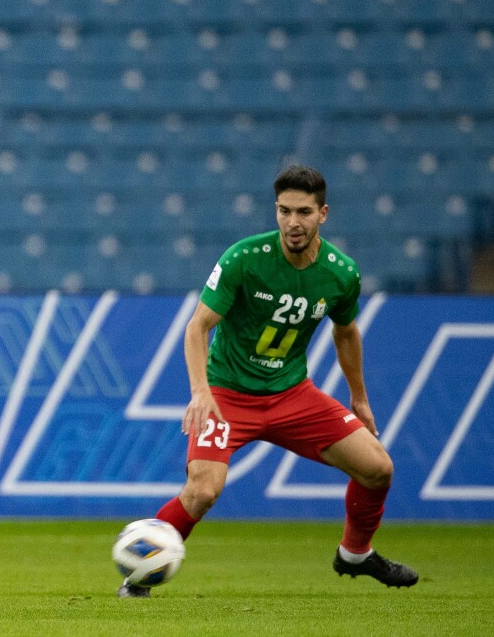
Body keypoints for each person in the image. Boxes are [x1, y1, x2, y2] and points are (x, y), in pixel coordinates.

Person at [119, 165, 418, 598]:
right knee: (202, 491)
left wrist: (359, 398)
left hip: (292, 396)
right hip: (227, 395)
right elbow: (198, 326)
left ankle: (355, 554)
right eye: (283, 211)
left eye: (303, 212)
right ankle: (139, 575)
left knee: (378, 468)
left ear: (323, 214)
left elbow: (346, 332)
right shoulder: (244, 258)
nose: (292, 222)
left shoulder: (341, 274)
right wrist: (201, 391)